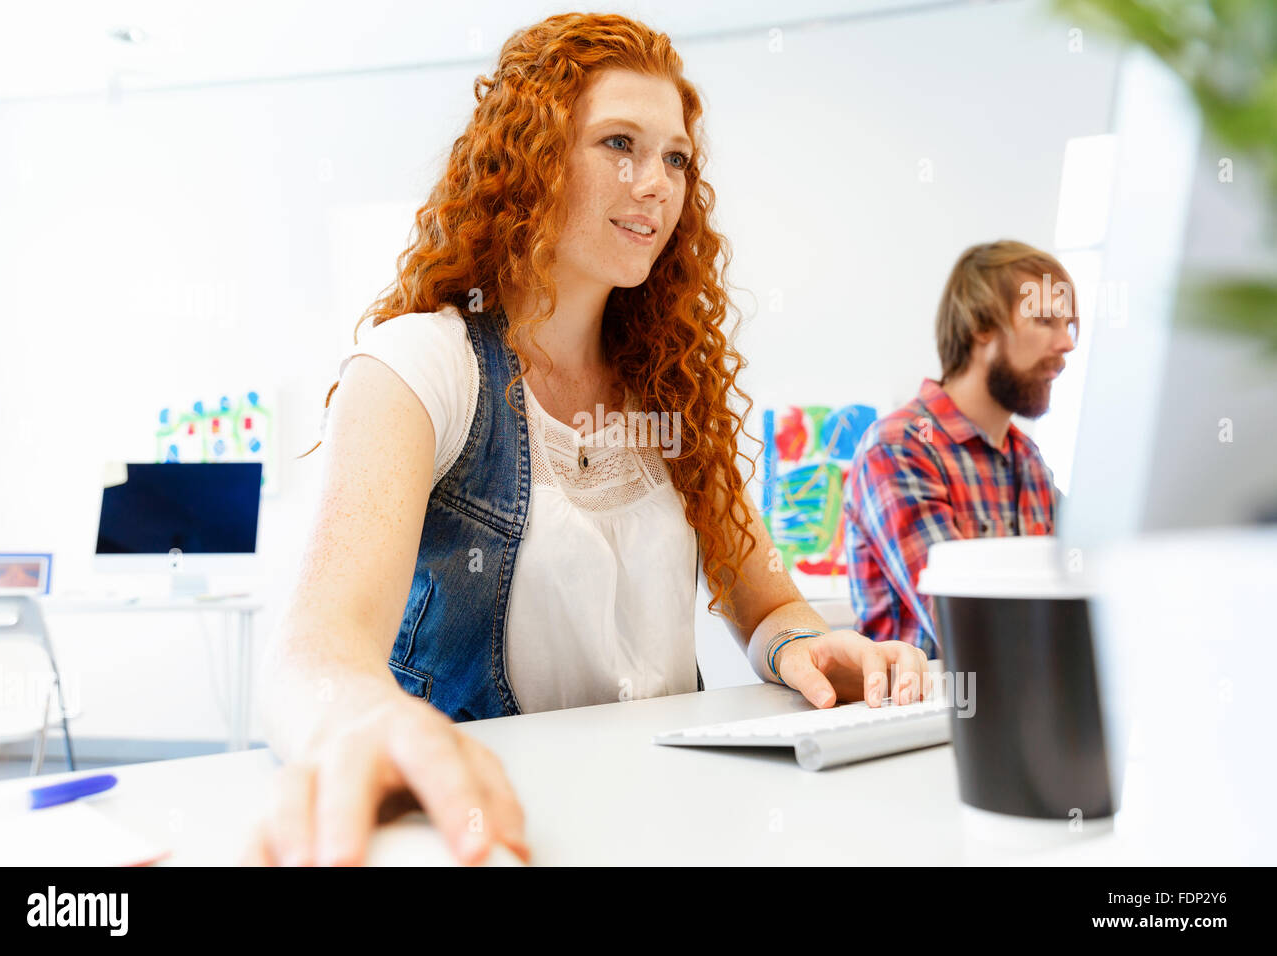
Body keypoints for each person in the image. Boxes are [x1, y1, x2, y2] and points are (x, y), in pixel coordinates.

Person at [244, 12, 932, 868]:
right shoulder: (422, 367)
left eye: (676, 158)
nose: (657, 184)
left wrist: (802, 642)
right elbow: (316, 650)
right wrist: (366, 722)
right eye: (619, 144)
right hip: (496, 834)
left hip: (668, 825)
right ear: (531, 158)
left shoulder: (671, 384)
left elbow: (763, 601)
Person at [842, 240, 1078, 658]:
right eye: (1045, 320)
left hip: (1021, 703)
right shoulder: (899, 448)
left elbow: (1086, 584)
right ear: (979, 326)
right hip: (928, 716)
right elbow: (967, 628)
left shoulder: (1029, 461)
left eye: (1070, 326)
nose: (1067, 344)